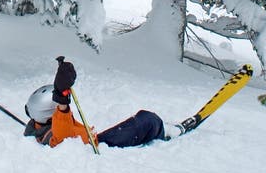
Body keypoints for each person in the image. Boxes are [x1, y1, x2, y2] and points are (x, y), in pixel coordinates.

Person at [24, 58, 181, 148]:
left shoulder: (37, 127)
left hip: (95, 140)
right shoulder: (55, 135)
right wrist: (62, 102)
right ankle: (162, 135)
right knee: (148, 120)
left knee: (143, 119)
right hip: (101, 145)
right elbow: (62, 134)